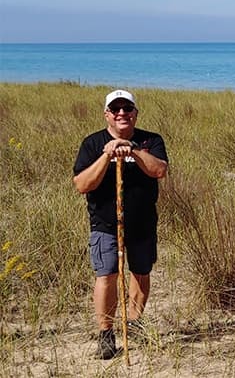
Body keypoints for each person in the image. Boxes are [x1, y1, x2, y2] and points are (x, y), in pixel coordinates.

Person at [73, 89, 168, 360]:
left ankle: (134, 321)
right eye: (116, 109)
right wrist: (107, 156)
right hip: (104, 223)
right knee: (106, 274)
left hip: (142, 223)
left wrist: (134, 150)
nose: (122, 113)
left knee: (141, 271)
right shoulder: (92, 143)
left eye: (127, 108)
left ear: (135, 113)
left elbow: (159, 170)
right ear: (107, 114)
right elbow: (82, 184)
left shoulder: (150, 140)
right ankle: (106, 333)